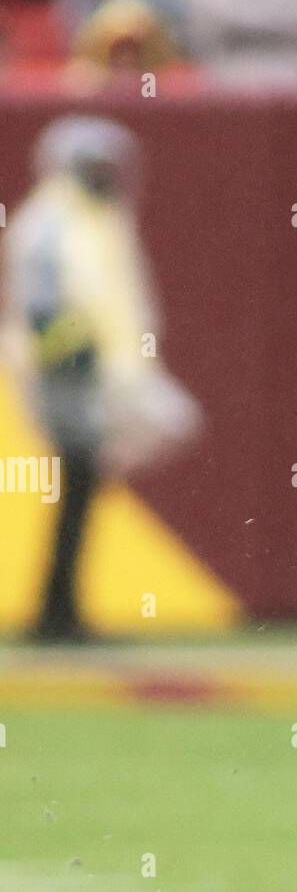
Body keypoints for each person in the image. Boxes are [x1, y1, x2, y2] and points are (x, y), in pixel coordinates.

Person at [0, 116, 199, 641]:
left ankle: (59, 610)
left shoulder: (94, 217)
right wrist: (80, 359)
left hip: (101, 376)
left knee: (85, 490)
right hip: (69, 378)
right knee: (79, 489)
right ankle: (56, 613)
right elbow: (43, 313)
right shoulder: (51, 223)